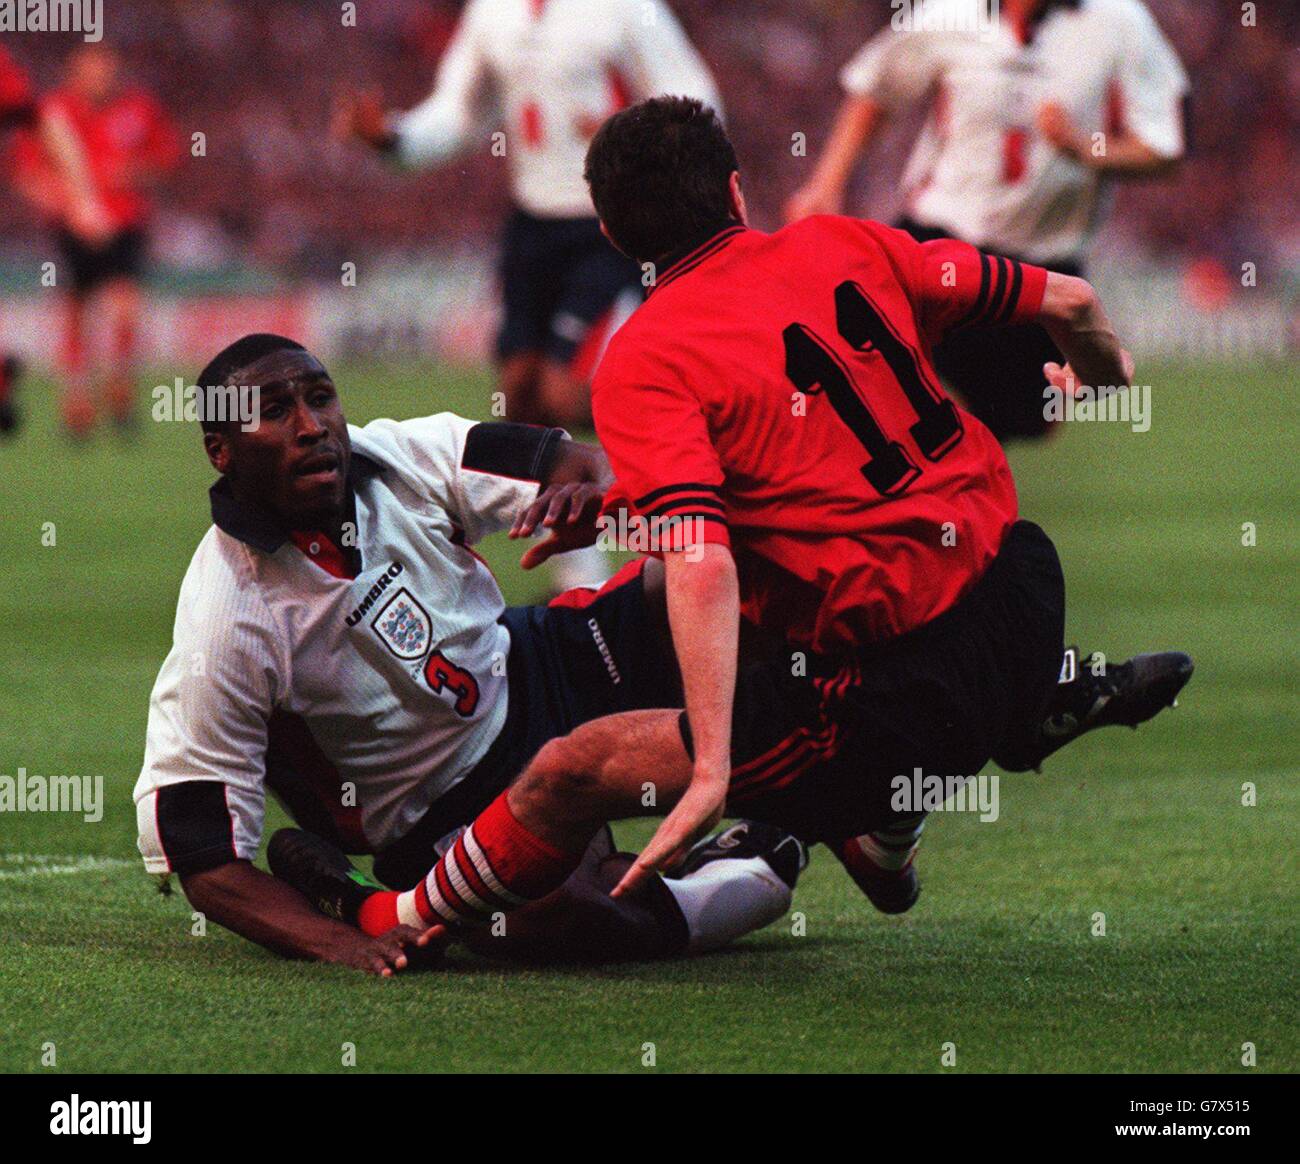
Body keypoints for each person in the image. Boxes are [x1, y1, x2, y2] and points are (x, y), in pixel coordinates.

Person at [350, 97, 1192, 944]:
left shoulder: (645, 356)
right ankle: (927, 794)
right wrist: (1105, 375)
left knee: (571, 771)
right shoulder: (844, 241)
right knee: (775, 581)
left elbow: (701, 558)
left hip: (896, 690)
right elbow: (1073, 300)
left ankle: (381, 914)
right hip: (1022, 589)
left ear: (610, 235)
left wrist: (711, 761)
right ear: (737, 192)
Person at [133, 333, 804, 975]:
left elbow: (567, 459)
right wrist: (341, 944)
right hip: (446, 811)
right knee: (560, 917)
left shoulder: (394, 454)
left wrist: (585, 489)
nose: (312, 426)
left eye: (320, 397)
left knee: (738, 554)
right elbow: (207, 863)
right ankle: (764, 859)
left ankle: (843, 780)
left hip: (545, 668)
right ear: (220, 450)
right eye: (275, 412)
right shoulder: (225, 618)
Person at [335, 0, 721, 591]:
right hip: (532, 226)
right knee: (518, 397)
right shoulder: (494, 13)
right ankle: (578, 580)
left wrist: (638, 139)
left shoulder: (626, 9)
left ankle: (687, 470)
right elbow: (460, 113)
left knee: (564, 394)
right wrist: (394, 137)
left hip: (607, 224)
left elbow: (695, 95)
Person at [785, 0, 1187, 441]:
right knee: (892, 384)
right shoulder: (951, 13)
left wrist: (1083, 147)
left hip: (1044, 261)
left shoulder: (1120, 21)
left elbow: (1163, 148)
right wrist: (825, 184)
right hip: (939, 240)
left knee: (1016, 423)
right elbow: (877, 88)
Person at [12, 43, 179, 435]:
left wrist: (129, 174)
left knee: (126, 306)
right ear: (74, 72)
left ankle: (120, 392)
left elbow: (165, 161)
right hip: (71, 227)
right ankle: (76, 402)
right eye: (90, 69)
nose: (100, 77)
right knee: (75, 308)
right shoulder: (52, 111)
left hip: (124, 224)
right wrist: (72, 205)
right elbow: (27, 175)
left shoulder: (139, 107)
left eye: (106, 68)